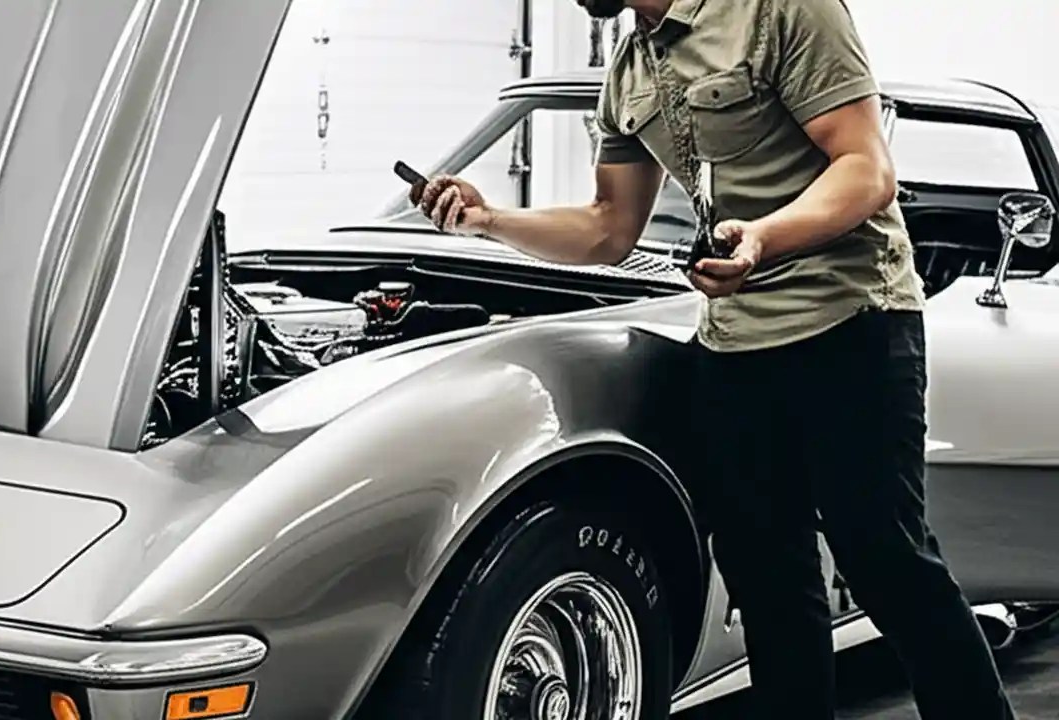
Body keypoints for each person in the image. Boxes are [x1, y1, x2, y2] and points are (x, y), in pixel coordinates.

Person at [410, 0, 1017, 717]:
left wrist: (764, 238)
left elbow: (865, 168)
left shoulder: (780, 10)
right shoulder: (629, 74)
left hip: (852, 325)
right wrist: (490, 220)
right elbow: (609, 227)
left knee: (886, 562)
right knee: (768, 585)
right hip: (734, 346)